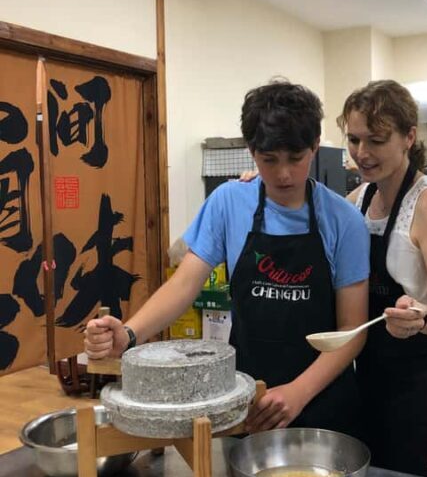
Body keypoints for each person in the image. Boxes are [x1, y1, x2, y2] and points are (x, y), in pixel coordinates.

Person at [84, 80, 370, 437]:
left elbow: (352, 330)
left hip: (323, 403)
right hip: (248, 400)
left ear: (314, 147)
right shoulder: (228, 202)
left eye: (296, 159)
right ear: (251, 152)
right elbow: (185, 284)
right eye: (269, 160)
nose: (284, 174)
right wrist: (128, 333)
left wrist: (298, 392)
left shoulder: (344, 220)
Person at [338, 79, 427, 477]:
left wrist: (422, 315)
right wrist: (259, 182)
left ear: (409, 137)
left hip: (425, 372)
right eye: (354, 140)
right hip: (375, 370)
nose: (363, 153)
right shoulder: (355, 201)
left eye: (376, 140)